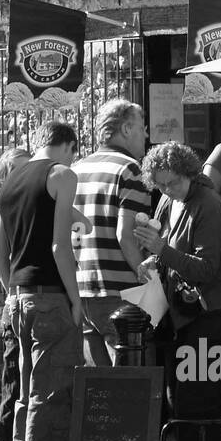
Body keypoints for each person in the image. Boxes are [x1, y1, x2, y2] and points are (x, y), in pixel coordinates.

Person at [136, 142, 221, 441]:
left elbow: (207, 269)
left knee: (199, 392)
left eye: (174, 183)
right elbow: (171, 252)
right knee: (179, 393)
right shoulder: (169, 202)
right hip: (182, 311)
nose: (167, 190)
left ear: (190, 173)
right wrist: (155, 262)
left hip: (212, 312)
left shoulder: (207, 204)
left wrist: (161, 251)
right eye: (161, 185)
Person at [0, 122, 82, 441]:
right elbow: (61, 246)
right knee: (50, 396)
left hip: (17, 298)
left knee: (25, 397)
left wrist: (14, 291)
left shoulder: (9, 181)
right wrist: (76, 299)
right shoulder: (62, 175)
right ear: (68, 146)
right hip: (50, 297)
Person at [72, 99, 150, 367]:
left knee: (97, 389)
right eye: (142, 127)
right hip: (120, 292)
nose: (146, 135)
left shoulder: (76, 169)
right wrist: (148, 279)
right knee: (128, 382)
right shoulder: (131, 170)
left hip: (81, 289)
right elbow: (125, 235)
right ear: (127, 129)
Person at [0, 146, 31, 441]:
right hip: (19, 304)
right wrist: (12, 292)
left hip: (25, 303)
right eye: (16, 170)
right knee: (13, 391)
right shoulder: (8, 202)